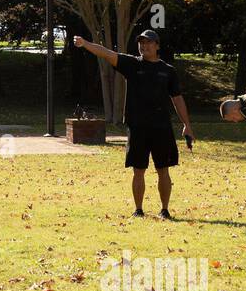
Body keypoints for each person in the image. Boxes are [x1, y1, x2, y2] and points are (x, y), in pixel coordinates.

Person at [74, 29, 193, 219]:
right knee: (139, 170)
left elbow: (177, 99)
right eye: (141, 43)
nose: (144, 46)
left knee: (163, 169)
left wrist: (187, 124)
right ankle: (138, 209)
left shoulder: (168, 71)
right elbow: (106, 53)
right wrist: (85, 44)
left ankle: (165, 209)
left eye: (148, 43)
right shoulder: (132, 64)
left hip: (161, 127)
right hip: (138, 127)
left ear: (157, 46)